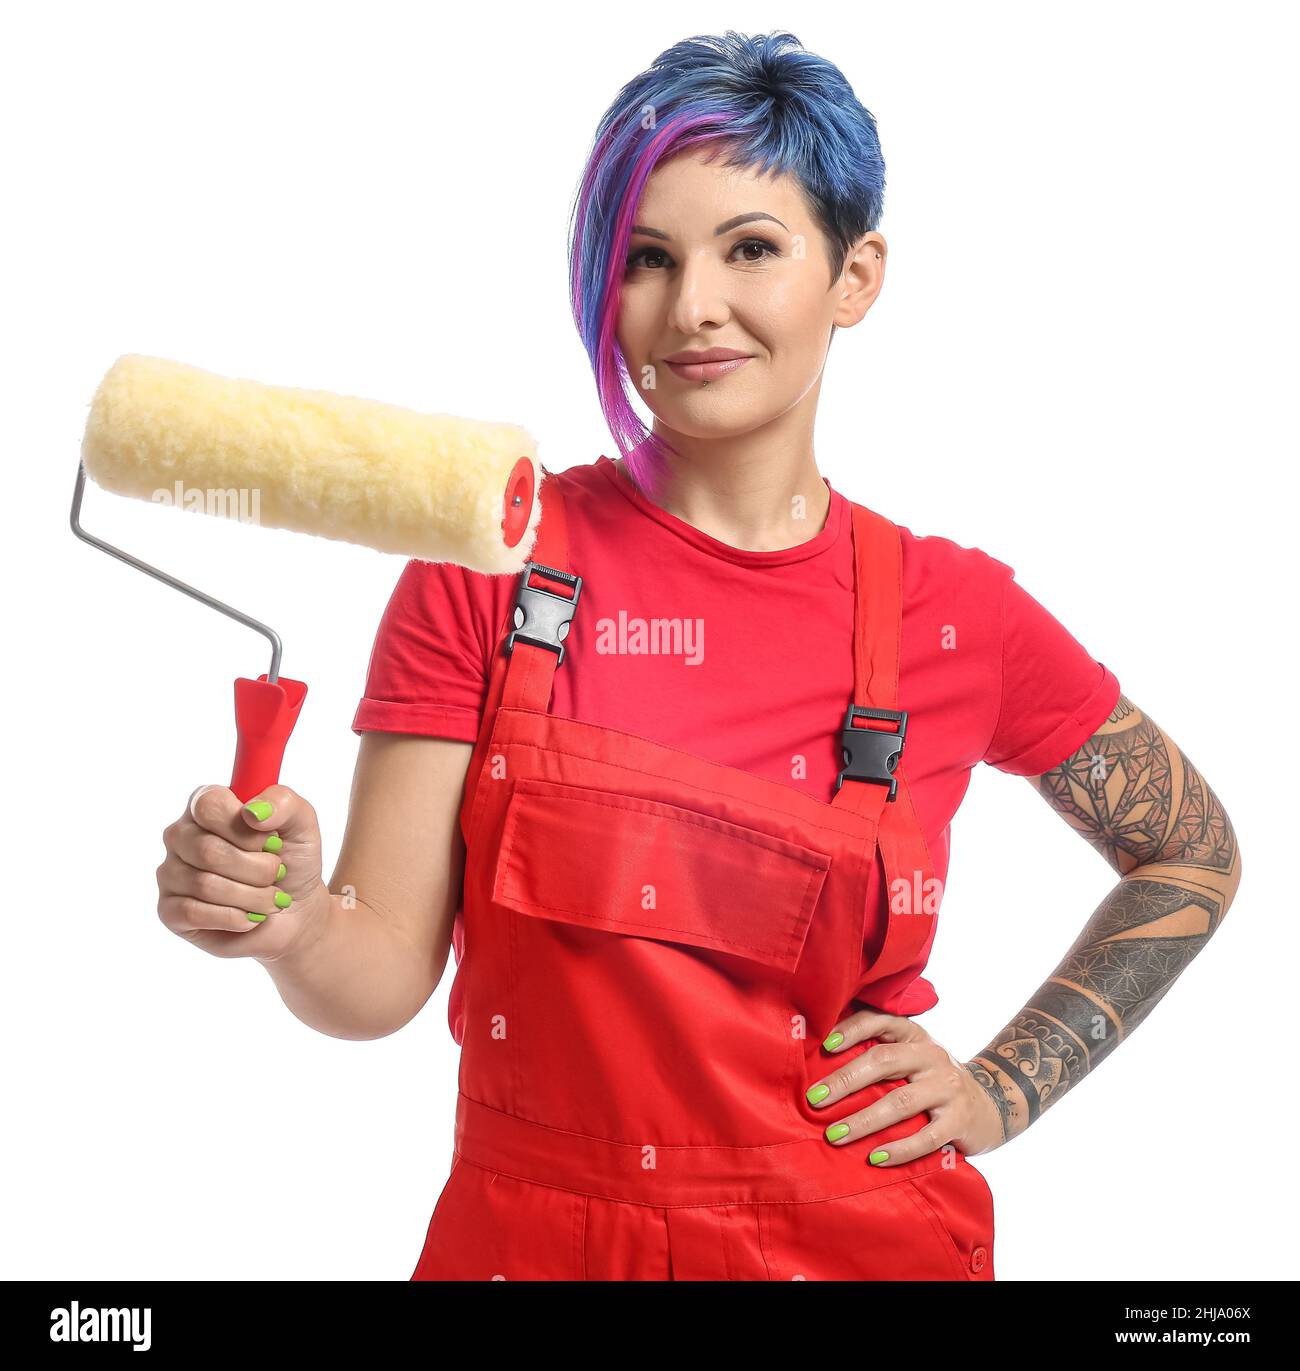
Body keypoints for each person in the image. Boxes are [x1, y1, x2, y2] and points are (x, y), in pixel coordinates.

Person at [155, 31, 1242, 1281]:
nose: (692, 309)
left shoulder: (954, 615)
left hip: (858, 1242)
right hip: (531, 1241)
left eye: (753, 248)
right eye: (646, 259)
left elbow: (1192, 847)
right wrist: (290, 921)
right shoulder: (484, 569)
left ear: (856, 273)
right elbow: (382, 974)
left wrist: (1004, 1086)